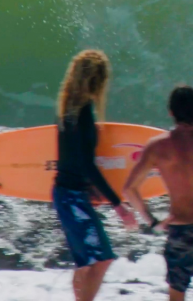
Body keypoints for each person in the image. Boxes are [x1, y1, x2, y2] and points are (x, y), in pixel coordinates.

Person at [122, 85, 193, 301]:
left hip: (180, 231)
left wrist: (153, 221)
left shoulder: (157, 147)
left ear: (171, 112)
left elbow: (129, 189)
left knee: (176, 295)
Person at [52, 50, 138, 301]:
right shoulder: (84, 113)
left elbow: (71, 157)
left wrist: (87, 187)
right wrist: (118, 205)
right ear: (97, 81)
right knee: (102, 259)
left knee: (86, 264)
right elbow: (88, 164)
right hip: (72, 199)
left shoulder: (66, 109)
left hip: (68, 195)